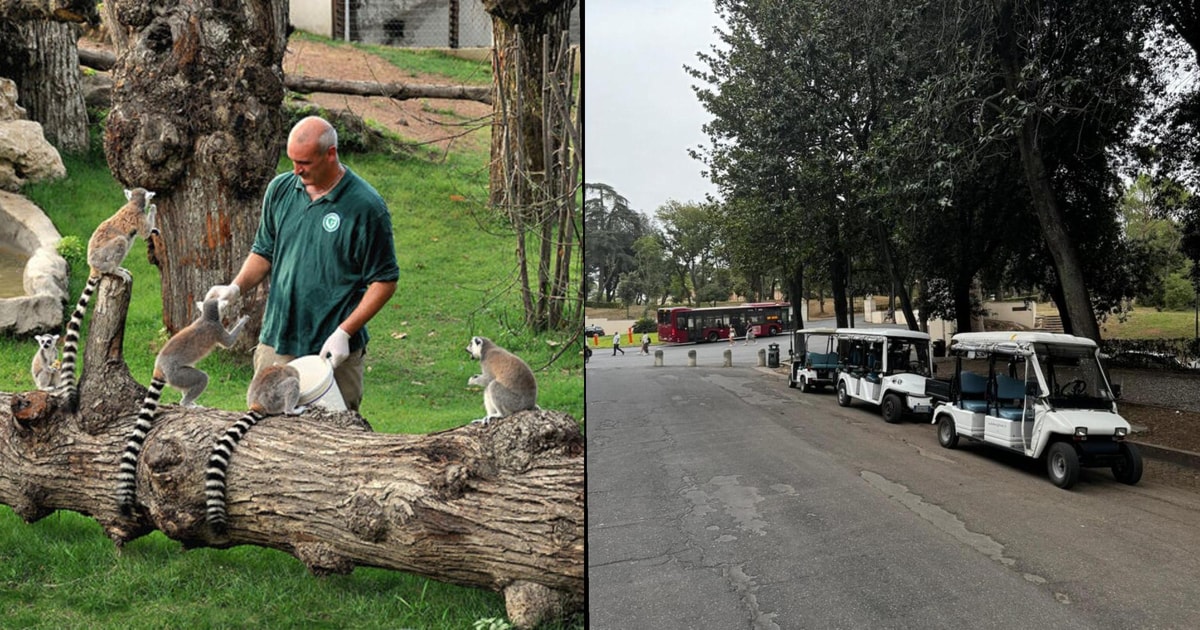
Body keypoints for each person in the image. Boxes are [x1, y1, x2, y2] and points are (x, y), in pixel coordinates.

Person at [206, 116, 399, 412]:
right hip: (278, 338)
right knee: (264, 431)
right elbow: (264, 251)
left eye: (305, 162)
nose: (297, 170)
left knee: (336, 437)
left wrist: (345, 332)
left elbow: (384, 280)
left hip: (332, 349)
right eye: (293, 161)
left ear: (331, 153)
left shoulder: (366, 207)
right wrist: (236, 287)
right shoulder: (281, 190)